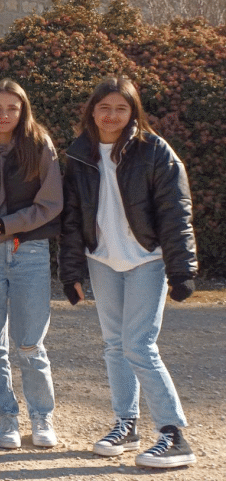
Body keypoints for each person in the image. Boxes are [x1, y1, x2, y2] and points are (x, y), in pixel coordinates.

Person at [60, 77, 197, 469]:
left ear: (133, 113)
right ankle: (127, 423)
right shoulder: (79, 153)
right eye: (105, 107)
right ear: (92, 111)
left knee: (139, 346)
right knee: (114, 345)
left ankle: (173, 435)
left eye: (121, 108)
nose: (112, 115)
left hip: (146, 260)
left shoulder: (155, 151)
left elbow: (176, 212)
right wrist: (71, 271)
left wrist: (182, 269)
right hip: (102, 260)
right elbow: (72, 217)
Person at [0, 79, 63, 450]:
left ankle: (41, 415)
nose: (4, 116)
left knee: (30, 343)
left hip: (29, 250)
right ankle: (6, 416)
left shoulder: (39, 145)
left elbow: (51, 204)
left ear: (23, 111)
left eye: (12, 108)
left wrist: (9, 224)